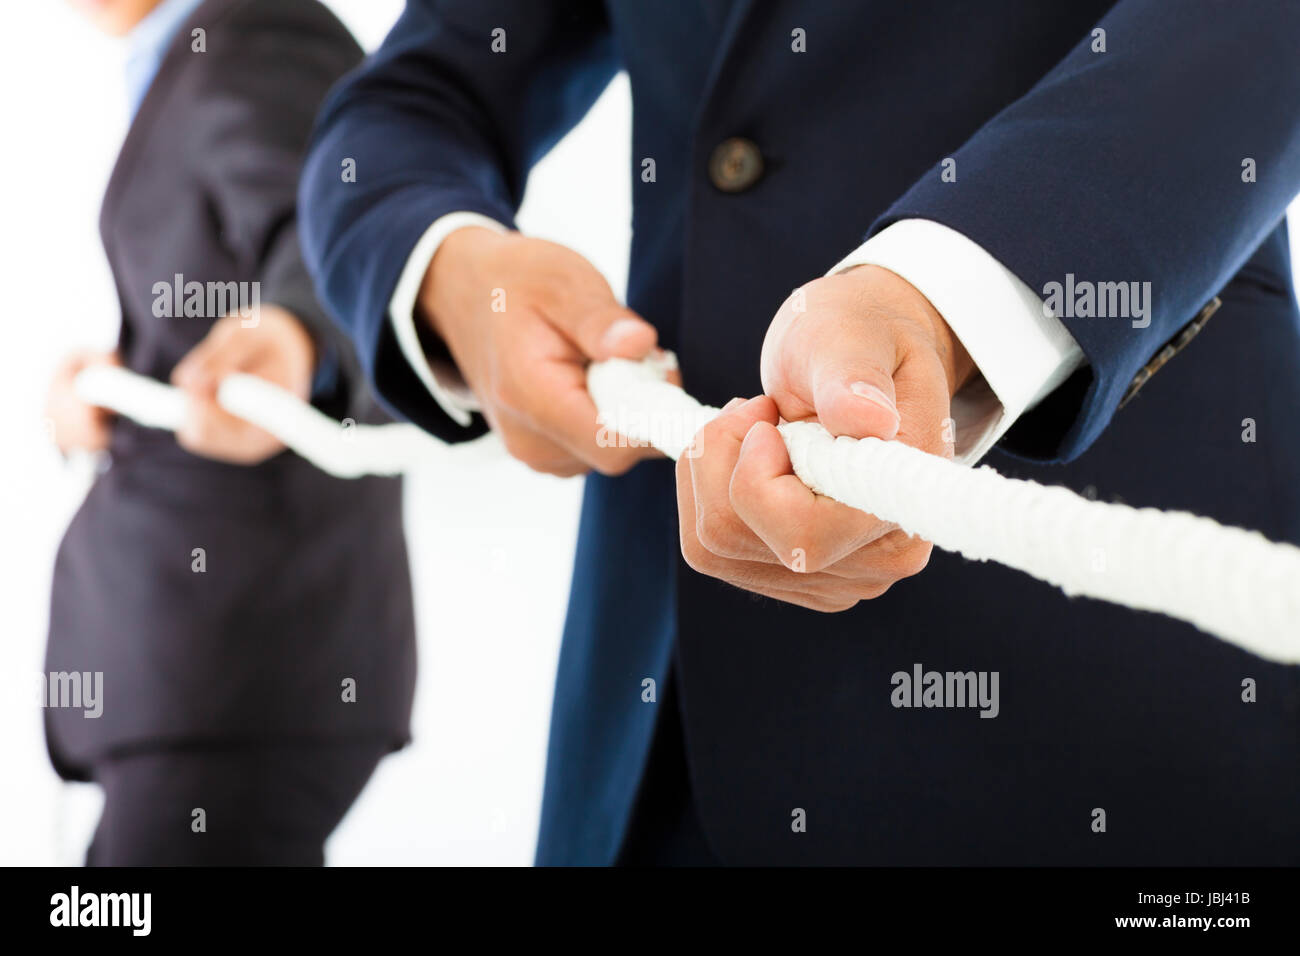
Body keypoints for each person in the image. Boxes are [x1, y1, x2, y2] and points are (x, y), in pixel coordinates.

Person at [299, 0, 1300, 865]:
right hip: (649, 707)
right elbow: (410, 101)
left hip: (1104, 691)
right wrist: (450, 270)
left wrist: (953, 298)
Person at [44, 0, 416, 865]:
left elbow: (341, 253)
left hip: (233, 678)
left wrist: (299, 340)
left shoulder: (260, 37)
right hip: (194, 689)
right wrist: (109, 386)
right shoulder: (190, 51)